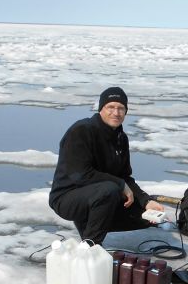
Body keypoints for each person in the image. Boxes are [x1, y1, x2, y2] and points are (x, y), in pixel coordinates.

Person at [49, 87, 165, 244]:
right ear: (101, 109)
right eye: (111, 107)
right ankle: (90, 246)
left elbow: (125, 177)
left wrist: (146, 201)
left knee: (144, 216)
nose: (116, 113)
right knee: (108, 190)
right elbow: (80, 174)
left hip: (101, 195)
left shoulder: (121, 138)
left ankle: (89, 223)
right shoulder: (81, 131)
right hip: (67, 198)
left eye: (121, 108)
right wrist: (120, 184)